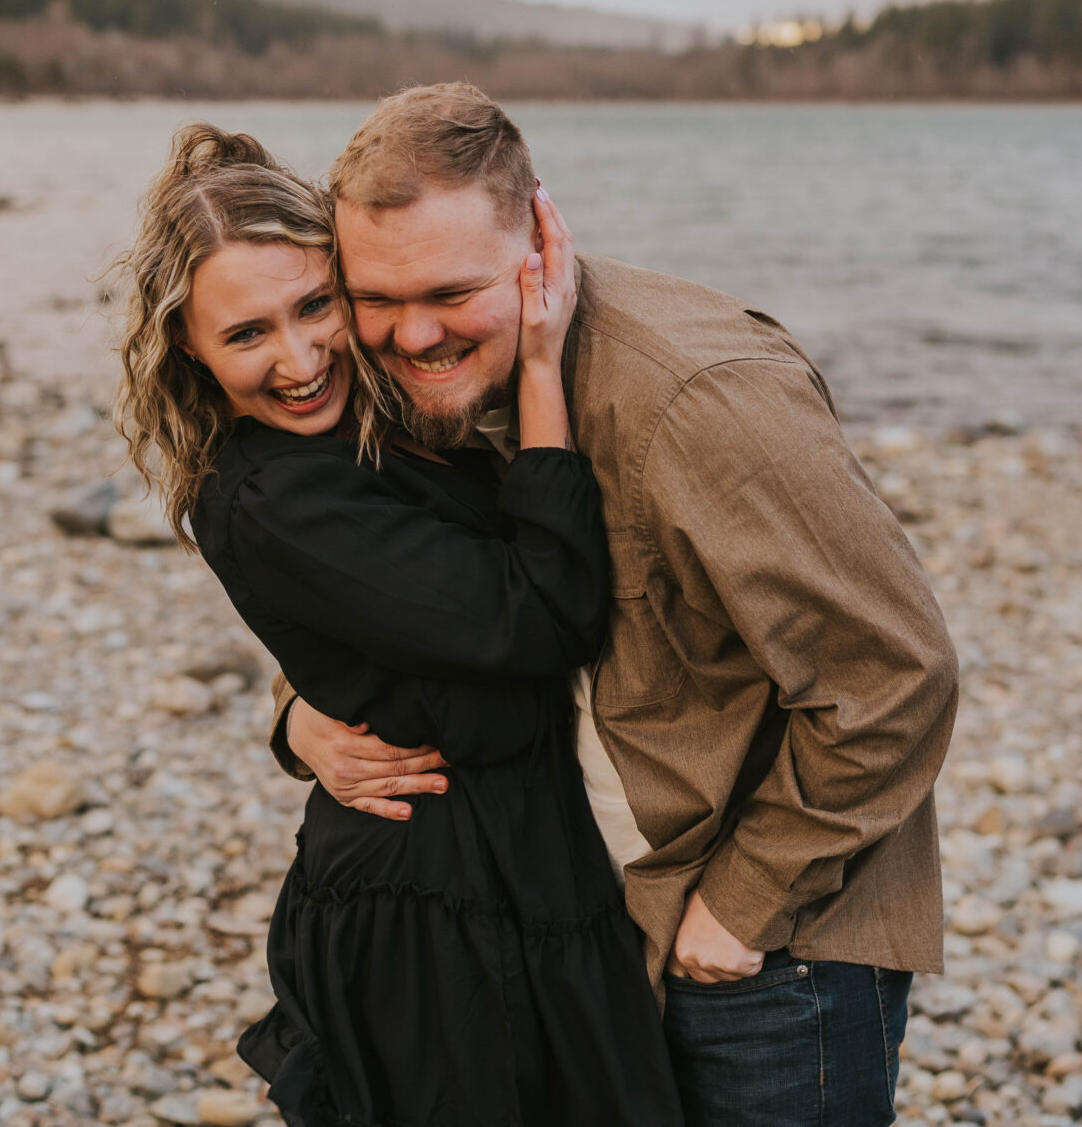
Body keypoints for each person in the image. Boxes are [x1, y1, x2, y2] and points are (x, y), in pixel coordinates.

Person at [274, 84, 961, 1127]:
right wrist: (297, 712)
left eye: (451, 292)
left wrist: (741, 906)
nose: (410, 337)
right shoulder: (414, 394)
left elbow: (892, 677)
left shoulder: (699, 400)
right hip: (584, 928)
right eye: (375, 297)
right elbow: (374, 592)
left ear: (537, 242)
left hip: (771, 951)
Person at [112, 123, 683, 1127]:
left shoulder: (381, 422)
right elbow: (541, 618)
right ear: (189, 352)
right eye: (246, 335)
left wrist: (293, 714)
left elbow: (376, 634)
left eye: (313, 306)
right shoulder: (273, 500)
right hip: (433, 909)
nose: (297, 360)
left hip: (521, 860)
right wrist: (542, 366)